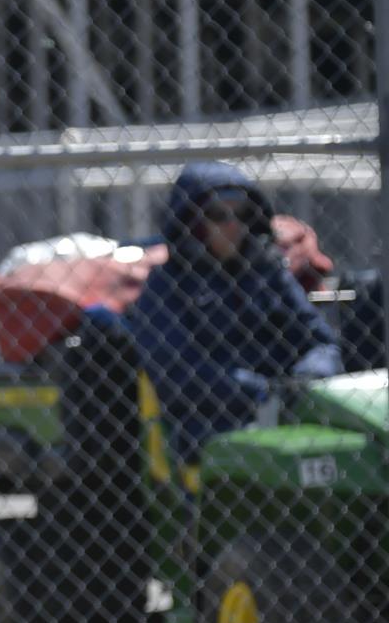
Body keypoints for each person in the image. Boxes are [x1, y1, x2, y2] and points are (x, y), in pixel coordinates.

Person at [127, 161, 344, 463]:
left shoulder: (268, 272)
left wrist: (306, 377)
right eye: (218, 215)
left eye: (242, 215)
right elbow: (177, 373)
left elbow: (322, 343)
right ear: (192, 222)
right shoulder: (167, 285)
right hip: (215, 425)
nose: (233, 225)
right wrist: (260, 391)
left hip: (293, 411)